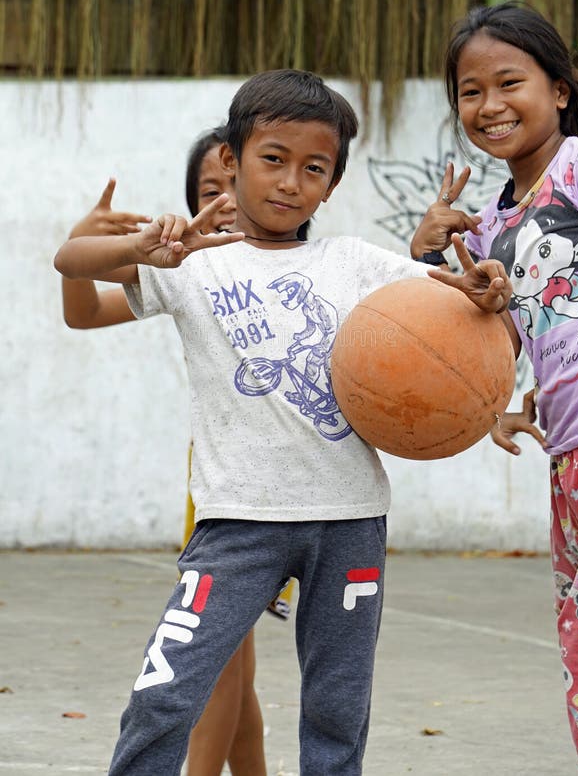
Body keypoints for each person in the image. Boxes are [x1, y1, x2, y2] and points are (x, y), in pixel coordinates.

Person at [54, 68, 511, 776]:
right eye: (273, 159)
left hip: (350, 518)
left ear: (330, 185)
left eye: (314, 168)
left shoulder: (353, 263)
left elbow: (455, 299)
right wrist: (130, 248)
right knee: (165, 695)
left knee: (337, 708)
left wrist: (489, 291)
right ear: (232, 162)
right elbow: (68, 261)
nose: (291, 181)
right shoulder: (190, 265)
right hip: (237, 524)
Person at [410, 0, 578, 773]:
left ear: (558, 88)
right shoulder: (484, 227)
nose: (489, 105)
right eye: (470, 91)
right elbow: (467, 334)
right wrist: (426, 255)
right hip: (571, 454)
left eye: (508, 81)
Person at [61, 128, 269, 776]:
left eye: (240, 183)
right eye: (212, 189)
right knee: (232, 656)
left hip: (287, 484)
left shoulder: (302, 265)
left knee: (223, 653)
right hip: (215, 481)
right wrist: (85, 240)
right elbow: (83, 311)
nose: (227, 200)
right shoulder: (190, 272)